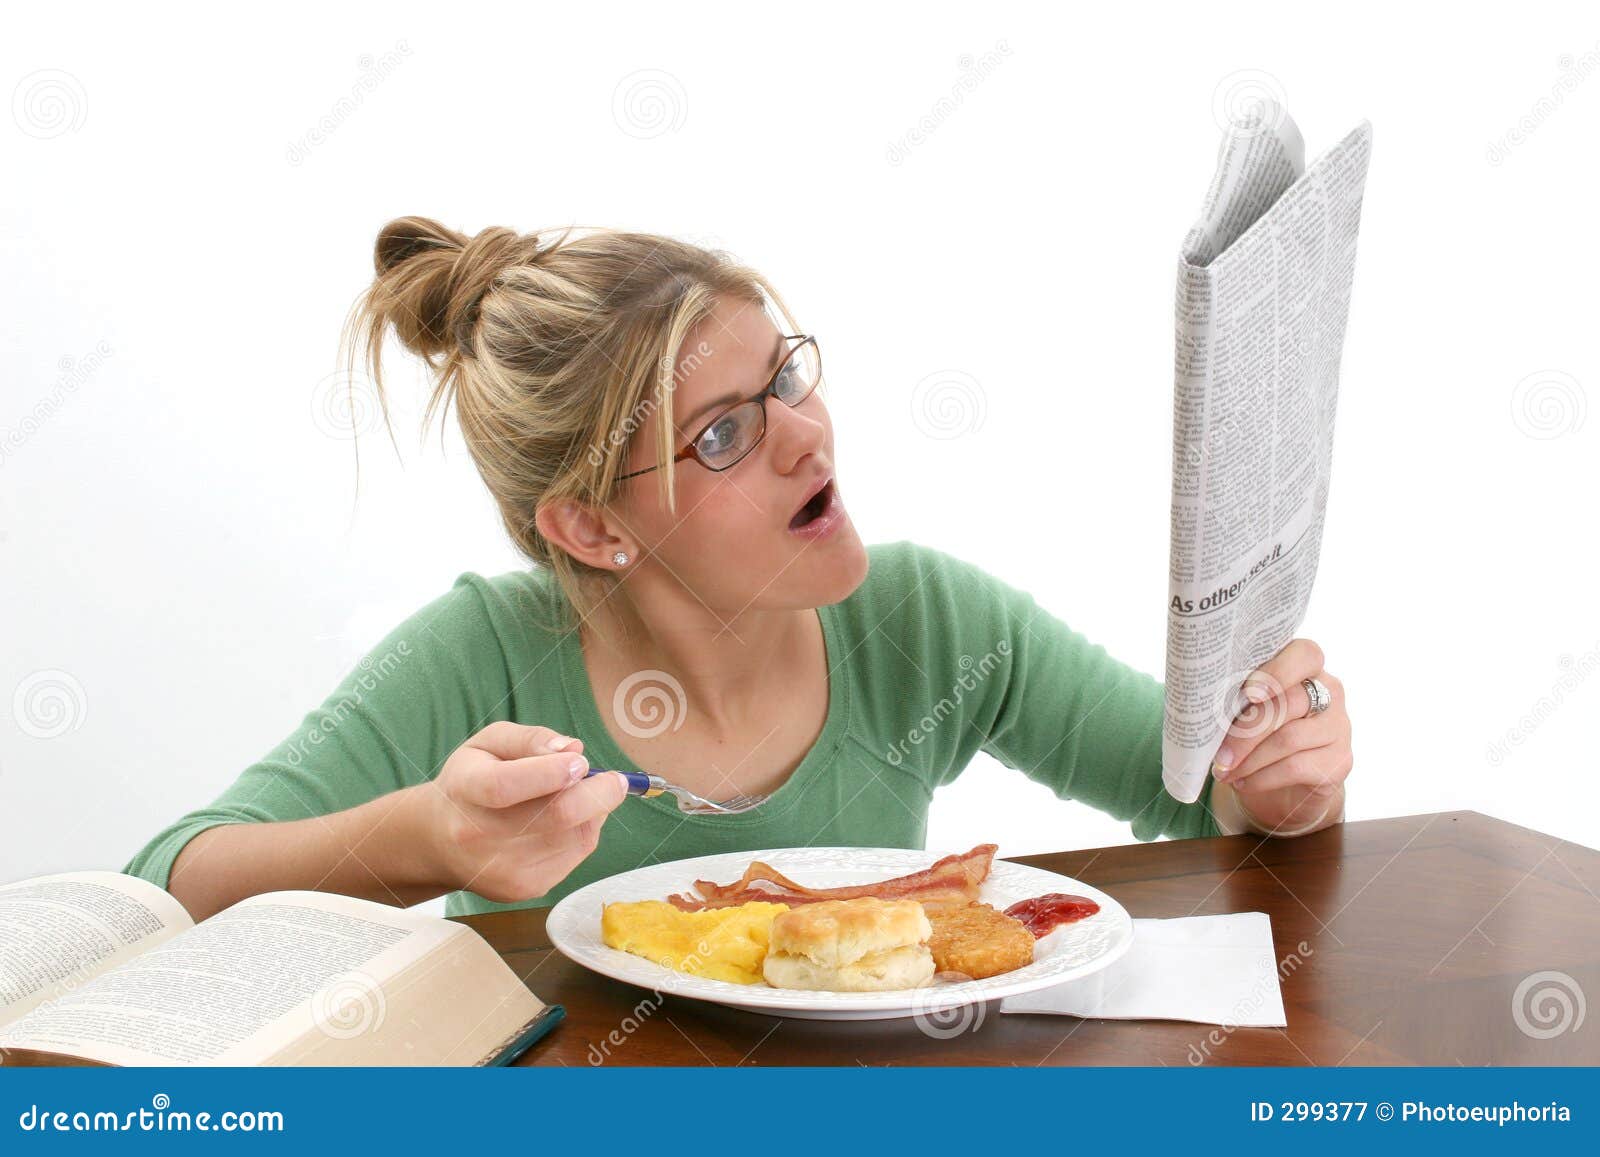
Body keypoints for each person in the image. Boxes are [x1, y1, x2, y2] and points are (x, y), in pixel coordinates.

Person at [123, 218, 1353, 923]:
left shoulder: (925, 619)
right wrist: (429, 837)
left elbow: (1197, 803)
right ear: (593, 530)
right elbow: (166, 879)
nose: (806, 435)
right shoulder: (487, 654)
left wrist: (1280, 784)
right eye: (721, 433)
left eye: (789, 376)